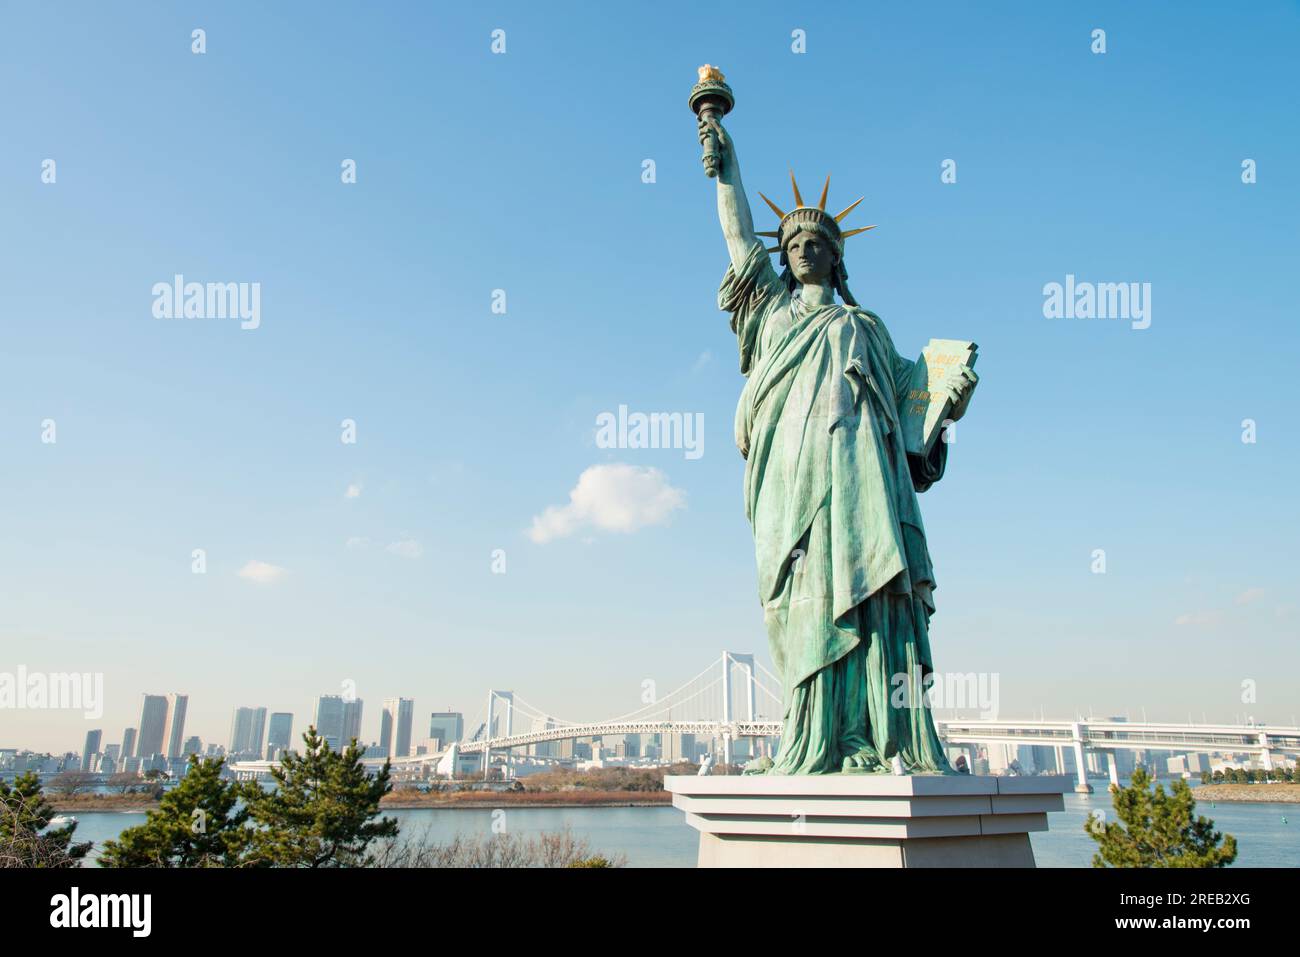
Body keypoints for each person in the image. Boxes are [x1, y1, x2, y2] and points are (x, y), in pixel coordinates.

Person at [699, 114, 978, 774]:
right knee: (803, 606)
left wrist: (951, 404)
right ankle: (813, 735)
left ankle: (883, 737)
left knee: (872, 593)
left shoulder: (866, 327)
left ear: (834, 256)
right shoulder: (769, 313)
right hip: (790, 483)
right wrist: (725, 161)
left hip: (862, 489)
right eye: (791, 241)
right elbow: (740, 238)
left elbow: (914, 430)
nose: (801, 248)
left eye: (814, 242)